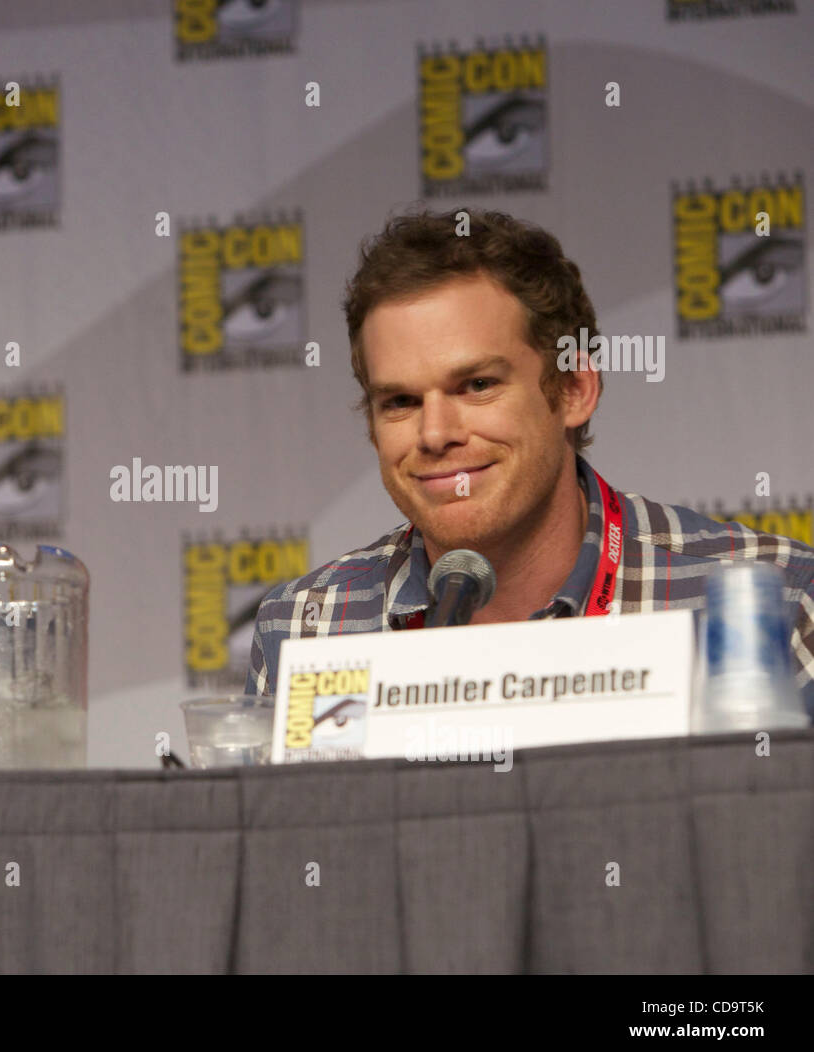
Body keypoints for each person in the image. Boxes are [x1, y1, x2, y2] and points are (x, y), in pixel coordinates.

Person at [245, 208, 814, 719]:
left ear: (572, 391)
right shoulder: (306, 626)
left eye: (477, 385)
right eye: (400, 401)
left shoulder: (779, 600)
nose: (435, 434)